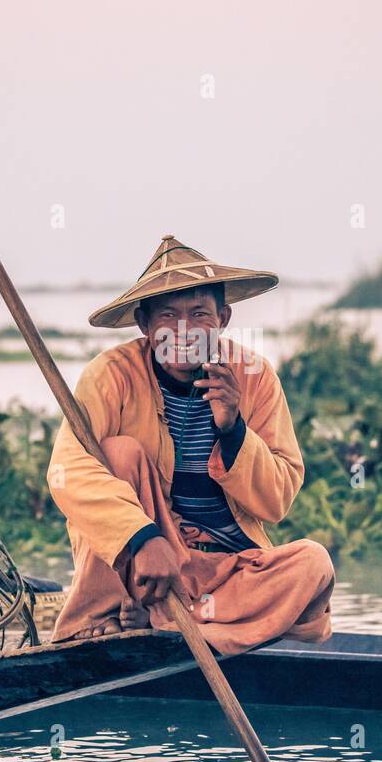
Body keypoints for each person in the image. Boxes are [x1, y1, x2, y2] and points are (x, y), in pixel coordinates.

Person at [45, 234, 335, 656]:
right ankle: (103, 616)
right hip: (149, 569)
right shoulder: (111, 374)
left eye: (199, 313)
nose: (183, 330)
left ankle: (165, 622)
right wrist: (143, 538)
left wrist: (234, 429)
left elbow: (277, 501)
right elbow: (66, 472)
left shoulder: (255, 377)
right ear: (145, 325)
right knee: (117, 456)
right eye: (168, 315)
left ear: (223, 318)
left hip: (227, 570)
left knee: (313, 564)